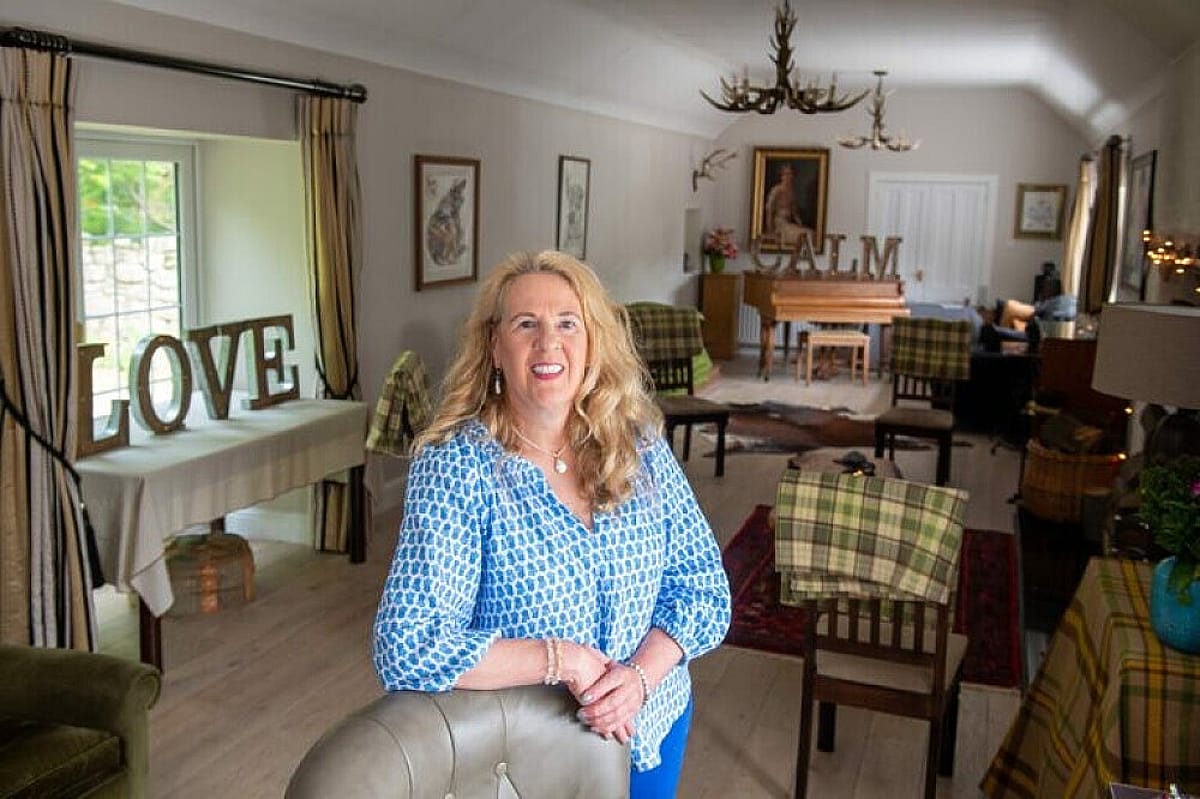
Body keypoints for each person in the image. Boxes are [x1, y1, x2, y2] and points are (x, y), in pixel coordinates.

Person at [372, 250, 732, 797]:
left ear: (592, 341)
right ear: (494, 345)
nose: (549, 344)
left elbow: (704, 589)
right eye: (525, 324)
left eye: (568, 323)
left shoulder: (640, 447)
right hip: (528, 755)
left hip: (652, 724)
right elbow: (409, 645)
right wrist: (563, 660)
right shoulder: (457, 467)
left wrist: (638, 678)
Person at [763, 164, 811, 247]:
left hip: (788, 223)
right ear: (782, 176)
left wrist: (800, 223)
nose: (789, 176)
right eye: (786, 174)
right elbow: (769, 210)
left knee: (809, 233)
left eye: (790, 174)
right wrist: (770, 230)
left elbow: (794, 212)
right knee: (804, 236)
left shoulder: (792, 192)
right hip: (779, 225)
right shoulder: (776, 190)